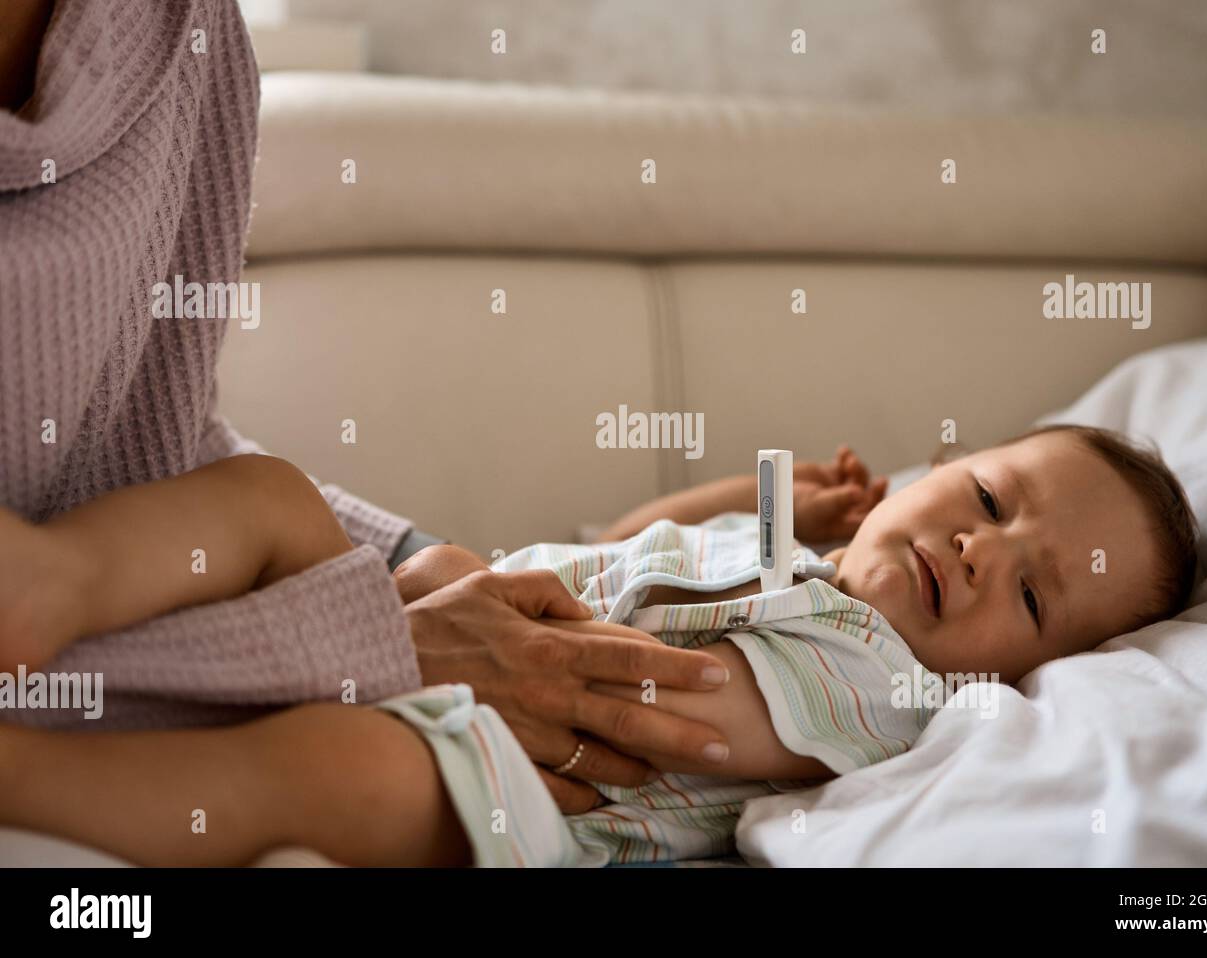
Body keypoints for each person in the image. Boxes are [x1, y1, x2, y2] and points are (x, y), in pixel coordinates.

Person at [0, 0, 737, 813]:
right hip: (113, 658)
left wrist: (415, 569)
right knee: (362, 744)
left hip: (140, 619)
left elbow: (156, 438)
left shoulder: (183, 29)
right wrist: (375, 644)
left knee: (286, 527)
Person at [0, 425, 1198, 865]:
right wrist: (777, 498)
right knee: (265, 494)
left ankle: (31, 778)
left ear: (1017, 673)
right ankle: (52, 580)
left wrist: (462, 597)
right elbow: (625, 539)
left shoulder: (880, 689)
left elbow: (670, 700)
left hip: (512, 792)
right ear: (935, 469)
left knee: (340, 769)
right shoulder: (790, 555)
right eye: (988, 499)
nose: (986, 551)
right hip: (448, 612)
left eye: (1035, 598)